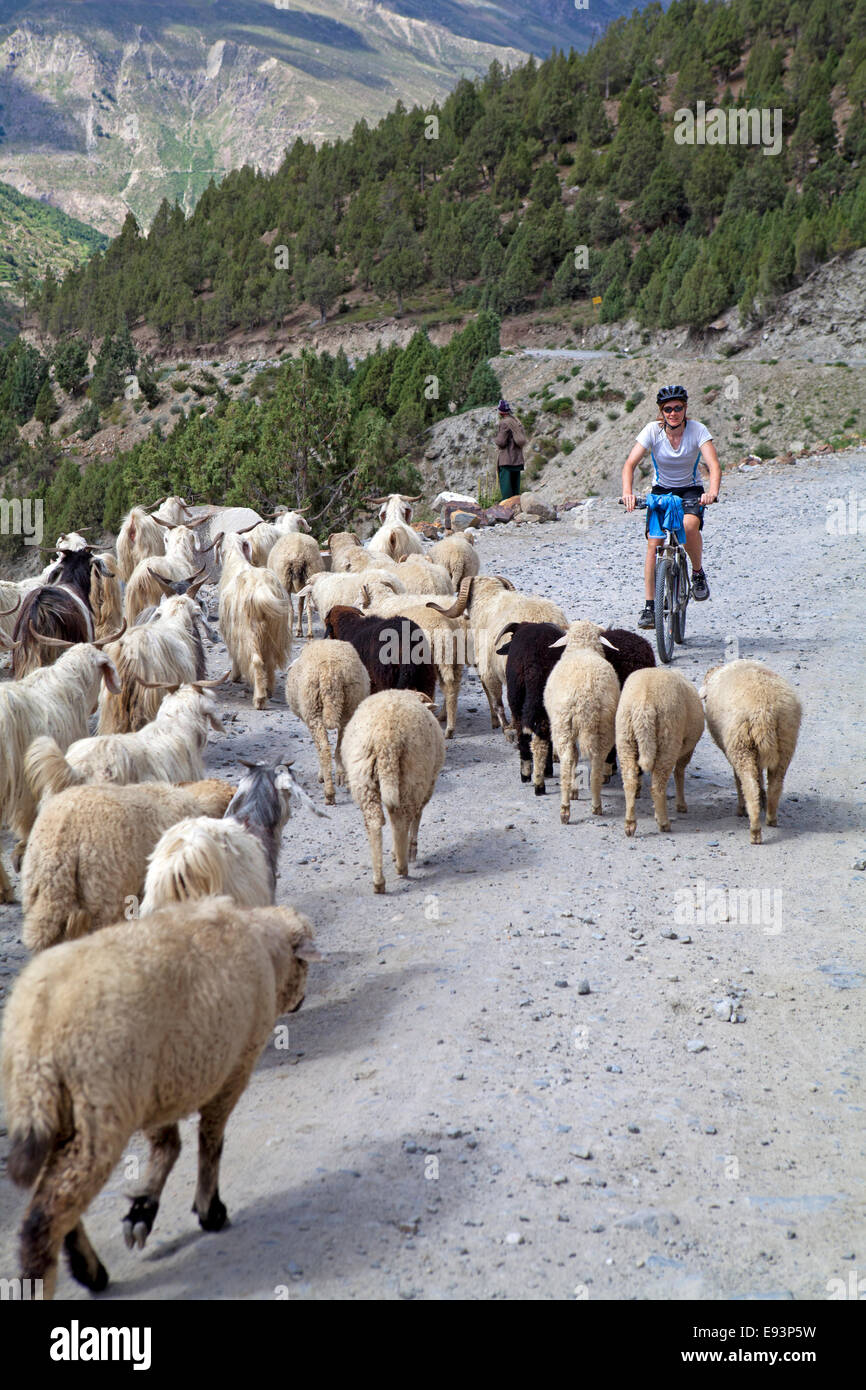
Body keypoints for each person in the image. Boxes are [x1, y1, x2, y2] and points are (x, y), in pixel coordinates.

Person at [621, 385, 721, 629]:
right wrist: (627, 493)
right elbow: (630, 464)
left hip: (690, 489)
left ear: (685, 409)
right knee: (654, 543)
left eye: (678, 408)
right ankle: (649, 607)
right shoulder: (652, 431)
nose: (673, 413)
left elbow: (713, 464)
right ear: (661, 412)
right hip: (662, 491)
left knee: (688, 527)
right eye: (668, 409)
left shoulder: (697, 430)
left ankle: (697, 573)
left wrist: (712, 492)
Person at [495, 399, 526, 501]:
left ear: (501, 412)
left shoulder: (504, 423)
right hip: (517, 461)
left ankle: (508, 512)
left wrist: (496, 439)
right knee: (515, 490)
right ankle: (517, 510)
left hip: (507, 461)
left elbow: (501, 442)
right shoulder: (516, 421)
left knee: (507, 492)